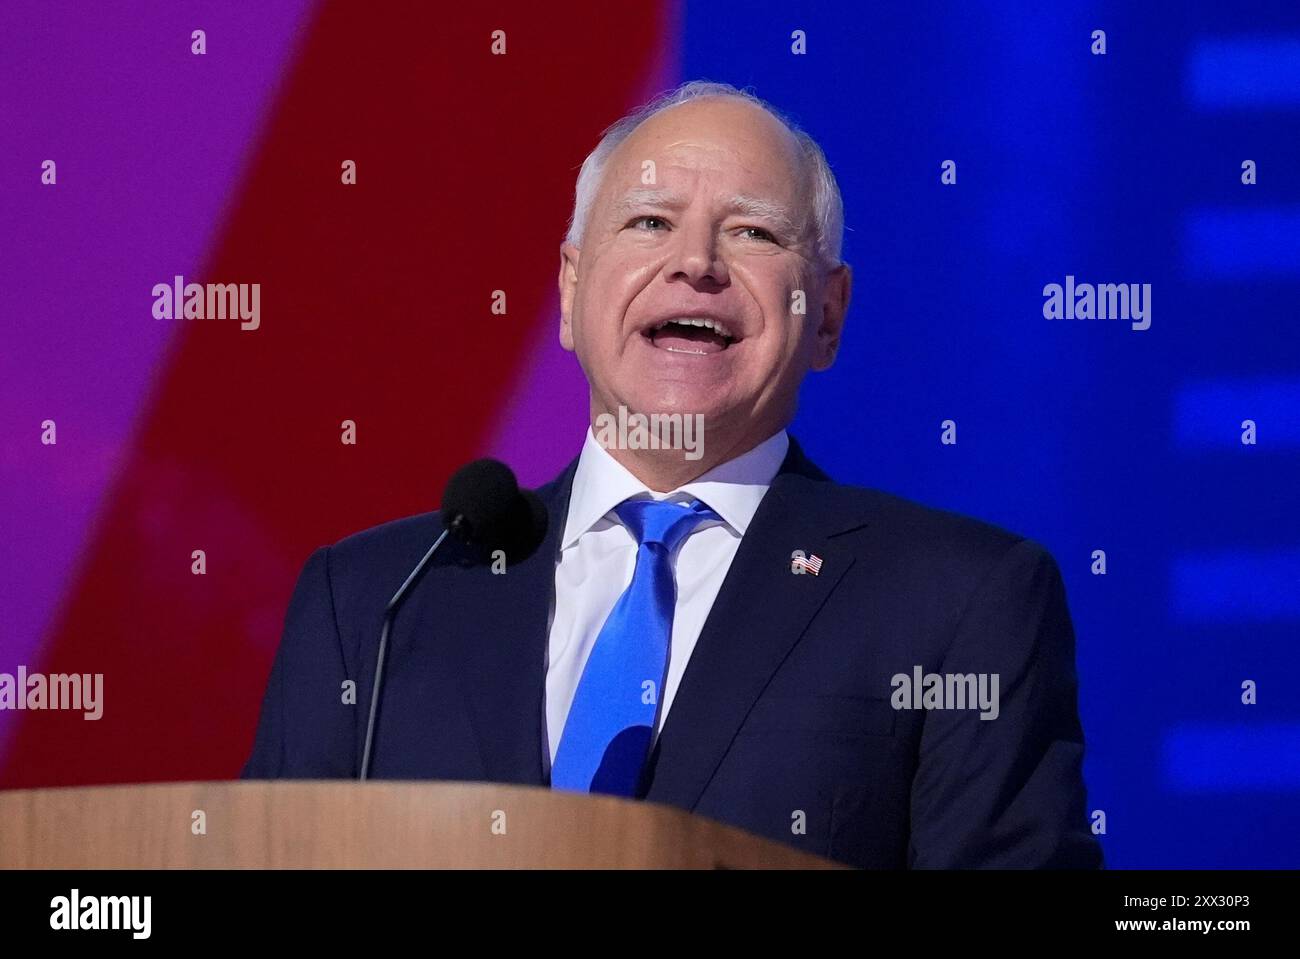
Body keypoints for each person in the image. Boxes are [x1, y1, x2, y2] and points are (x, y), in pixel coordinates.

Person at [242, 80, 1103, 869]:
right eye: (649, 222)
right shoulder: (375, 603)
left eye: (753, 231)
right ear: (571, 291)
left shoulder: (960, 601)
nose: (697, 261)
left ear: (827, 316)